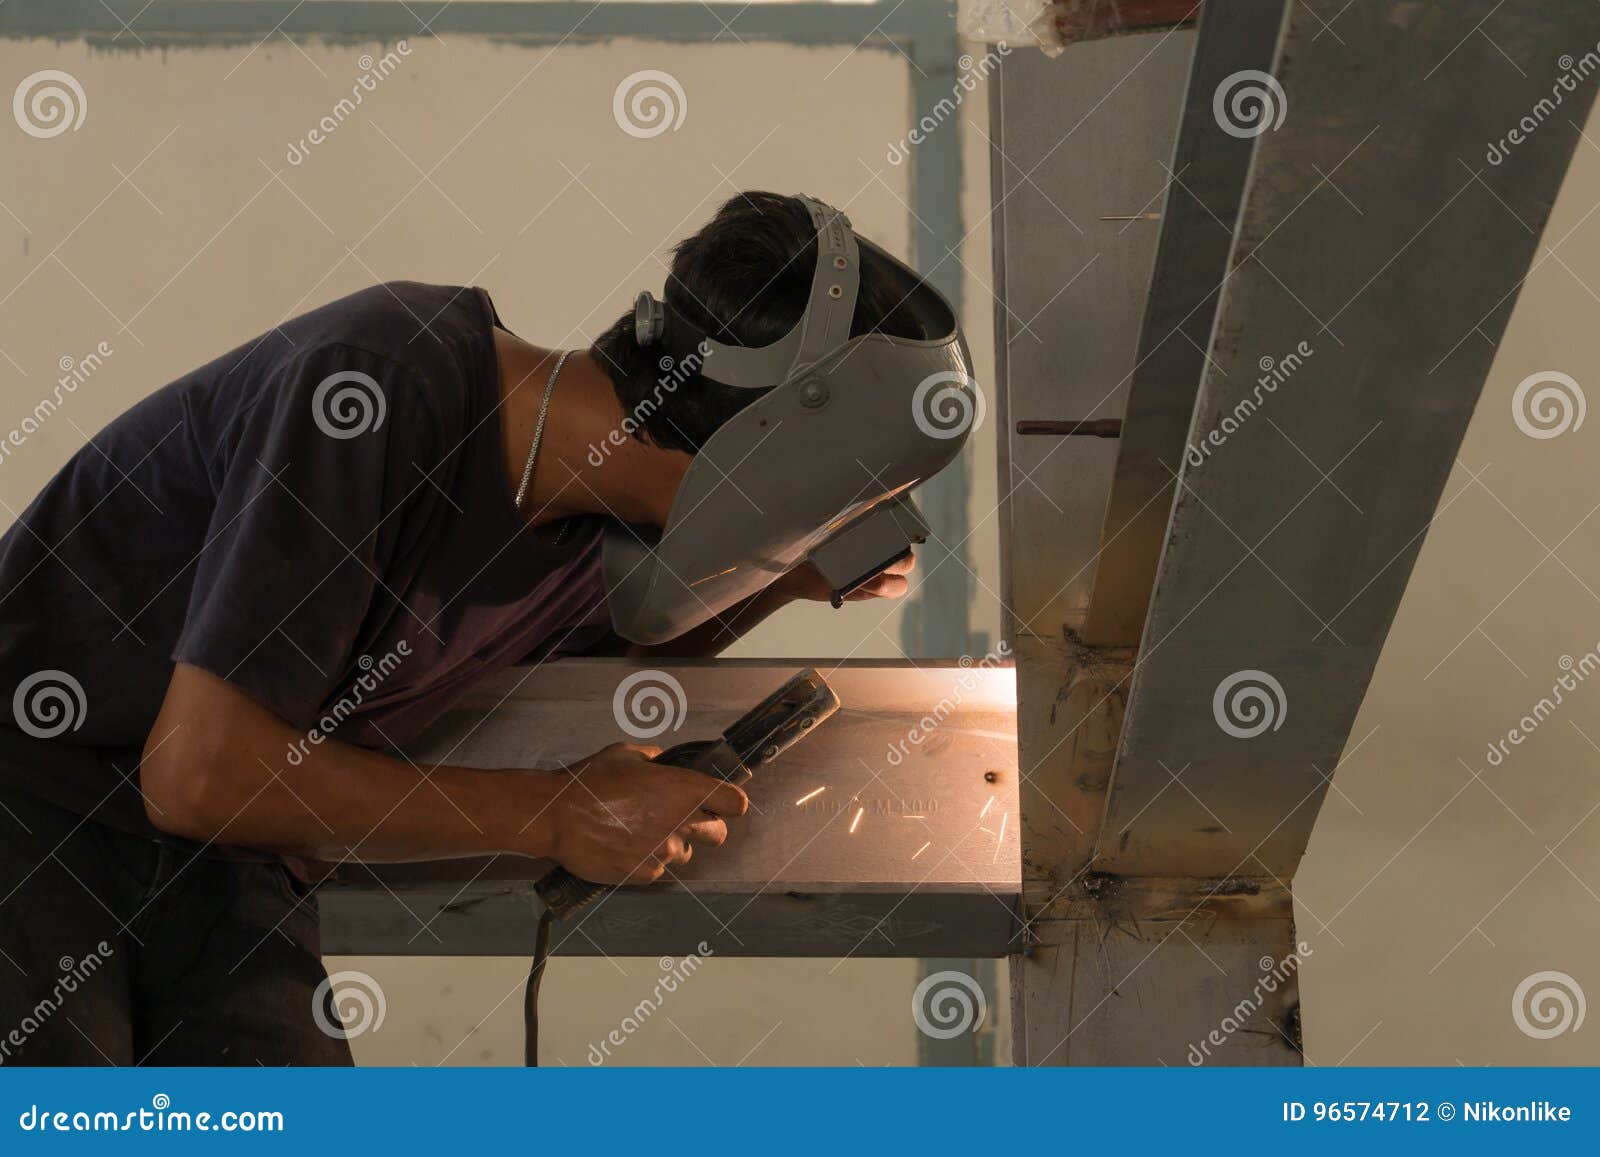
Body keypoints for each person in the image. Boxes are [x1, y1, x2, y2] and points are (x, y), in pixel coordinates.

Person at [0, 192, 921, 1065]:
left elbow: (641, 644)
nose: (844, 522)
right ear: (774, 443)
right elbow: (199, 771)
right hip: (35, 800)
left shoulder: (595, 525)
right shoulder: (380, 382)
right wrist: (554, 815)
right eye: (847, 497)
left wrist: (783, 578)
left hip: (230, 862)